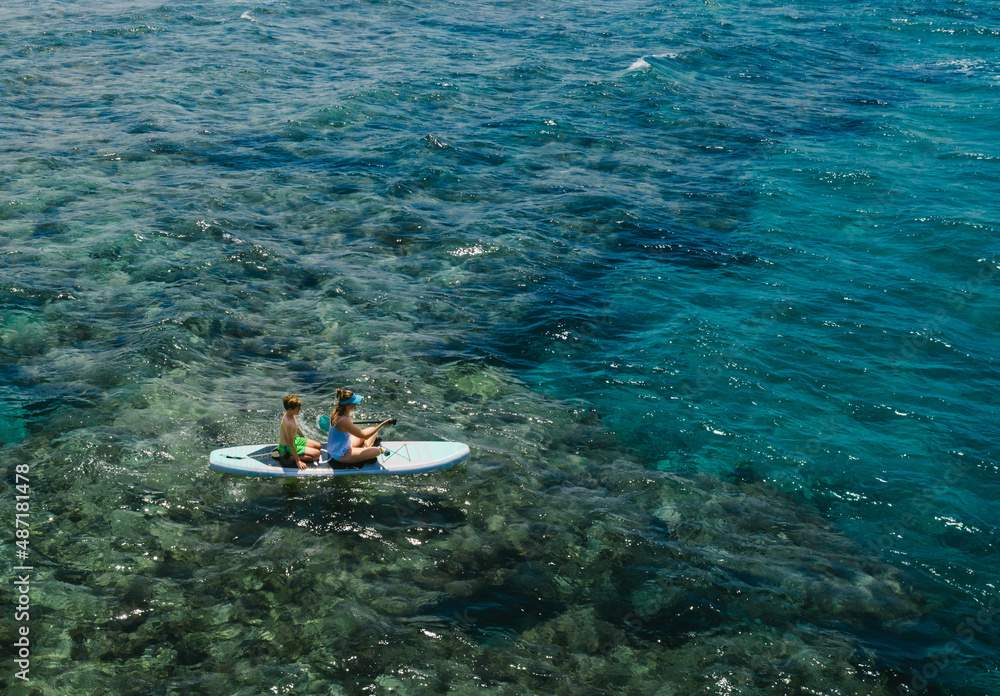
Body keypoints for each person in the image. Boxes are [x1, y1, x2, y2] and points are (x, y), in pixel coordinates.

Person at [326, 389, 394, 467]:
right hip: (340, 454)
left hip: (345, 443)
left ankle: (365, 449)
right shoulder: (343, 420)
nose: (356, 405)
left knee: (372, 429)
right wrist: (382, 424)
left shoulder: (337, 411)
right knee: (377, 451)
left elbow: (330, 425)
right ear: (347, 405)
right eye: (354, 403)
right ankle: (365, 453)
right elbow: (365, 436)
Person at [277, 394, 322, 470]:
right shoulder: (288, 423)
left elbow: (296, 426)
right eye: (298, 408)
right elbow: (290, 443)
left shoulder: (291, 414)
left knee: (318, 446)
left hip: (295, 441)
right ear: (290, 409)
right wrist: (298, 461)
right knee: (316, 455)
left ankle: (299, 451)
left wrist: (303, 437)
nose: (300, 409)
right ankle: (288, 457)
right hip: (287, 448)